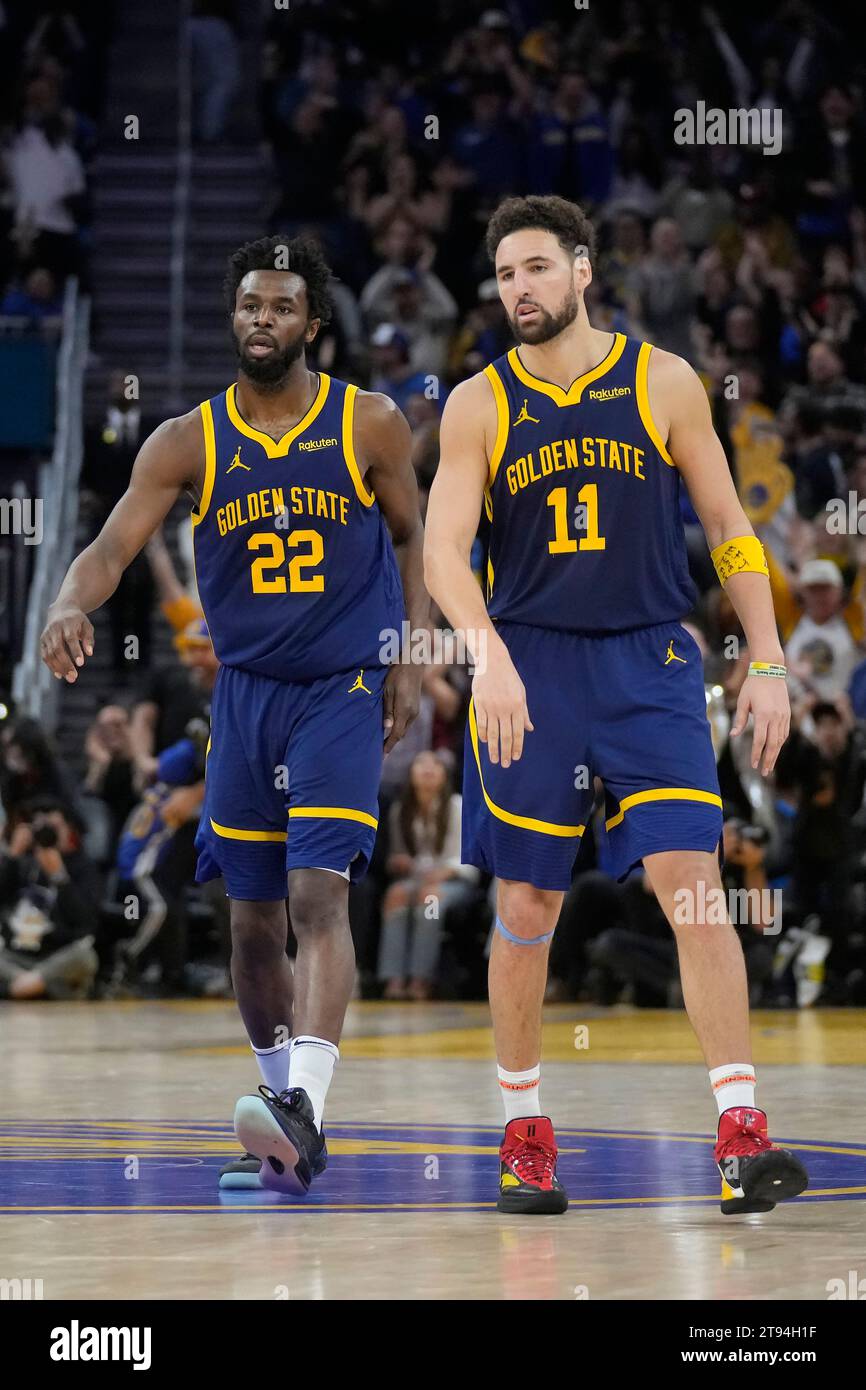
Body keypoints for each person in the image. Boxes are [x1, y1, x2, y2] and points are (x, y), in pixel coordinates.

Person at [424, 193, 809, 1216]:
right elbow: (438, 549)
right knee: (525, 906)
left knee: (692, 889)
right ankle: (523, 1137)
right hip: (532, 665)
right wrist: (485, 654)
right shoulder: (476, 402)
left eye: (538, 268)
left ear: (583, 270)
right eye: (506, 274)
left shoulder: (663, 379)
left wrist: (763, 656)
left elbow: (728, 527)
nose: (520, 289)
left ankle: (738, 1133)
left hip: (649, 664)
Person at [40, 234, 427, 1196]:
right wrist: (64, 602)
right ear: (236, 317)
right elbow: (110, 546)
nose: (263, 318)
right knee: (250, 923)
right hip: (245, 697)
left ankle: (308, 1106)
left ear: (314, 324)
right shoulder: (187, 439)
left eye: (282, 305)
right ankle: (278, 1121)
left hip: (340, 685)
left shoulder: (368, 424)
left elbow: (415, 537)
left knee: (317, 899)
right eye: (250, 304)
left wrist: (411, 654)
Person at [378, 750, 478, 1000]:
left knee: (429, 898)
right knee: (396, 894)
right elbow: (397, 856)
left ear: (445, 775)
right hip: (417, 878)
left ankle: (421, 979)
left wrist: (443, 873)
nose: (428, 768)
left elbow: (468, 862)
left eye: (435, 764)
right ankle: (394, 979)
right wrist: (398, 863)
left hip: (455, 881)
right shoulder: (401, 809)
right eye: (421, 762)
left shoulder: (457, 806)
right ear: (410, 774)